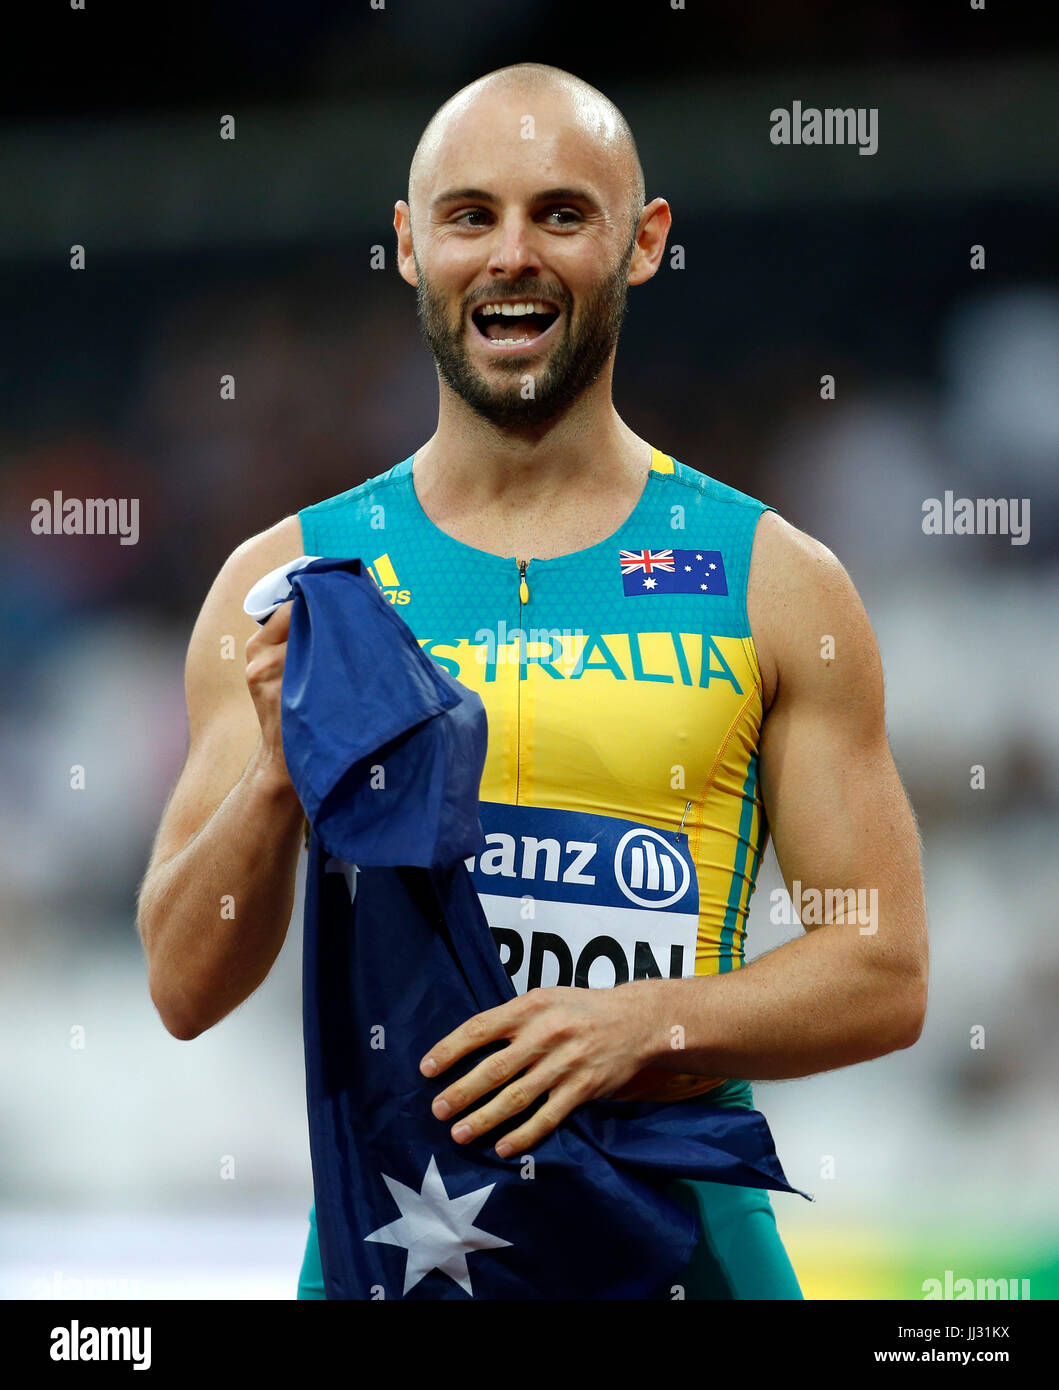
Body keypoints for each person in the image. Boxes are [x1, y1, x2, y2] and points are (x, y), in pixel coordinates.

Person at [136, 63, 929, 1300]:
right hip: (396, 1252)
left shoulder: (773, 581)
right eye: (471, 216)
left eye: (562, 214)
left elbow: (885, 973)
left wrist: (640, 1023)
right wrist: (276, 786)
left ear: (644, 240)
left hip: (688, 1255)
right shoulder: (293, 578)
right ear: (408, 247)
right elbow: (183, 987)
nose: (513, 254)